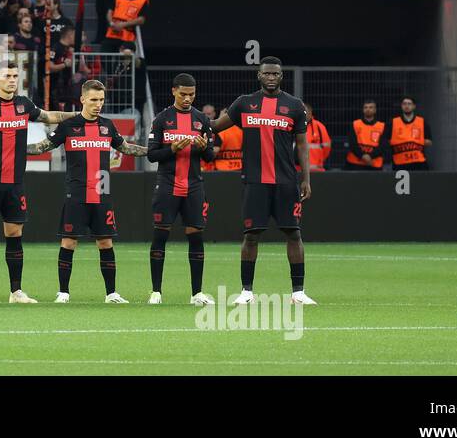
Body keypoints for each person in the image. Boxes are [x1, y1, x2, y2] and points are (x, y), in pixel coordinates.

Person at [0, 59, 77, 303]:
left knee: (15, 233)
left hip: (15, 182)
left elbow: (48, 116)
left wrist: (77, 114)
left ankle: (16, 291)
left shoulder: (24, 105)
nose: (12, 80)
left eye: (15, 76)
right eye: (7, 75)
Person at [27, 80, 146, 304]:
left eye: (101, 100)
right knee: (69, 242)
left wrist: (155, 151)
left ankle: (111, 293)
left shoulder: (108, 126)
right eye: (93, 100)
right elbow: (42, 147)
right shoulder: (69, 126)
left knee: (106, 243)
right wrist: (15, 149)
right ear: (82, 99)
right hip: (77, 193)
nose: (98, 104)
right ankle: (63, 292)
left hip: (103, 192)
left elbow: (126, 148)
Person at [211, 57, 316, 306]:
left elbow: (302, 146)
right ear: (259, 76)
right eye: (266, 73)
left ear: (281, 77)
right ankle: (247, 292)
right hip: (255, 182)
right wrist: (192, 118)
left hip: (286, 182)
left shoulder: (294, 105)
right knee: (251, 235)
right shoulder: (244, 104)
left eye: (275, 74)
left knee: (293, 233)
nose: (271, 77)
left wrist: (306, 179)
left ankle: (298, 293)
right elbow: (215, 126)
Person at [145, 74, 215, 305]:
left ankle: (197, 293)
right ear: (174, 91)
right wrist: (172, 148)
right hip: (167, 184)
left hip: (194, 185)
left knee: (196, 237)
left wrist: (205, 149)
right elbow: (152, 154)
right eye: (183, 94)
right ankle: (156, 291)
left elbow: (210, 155)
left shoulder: (201, 120)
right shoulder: (162, 119)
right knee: (160, 236)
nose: (187, 99)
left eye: (191, 94)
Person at [383, 95, 431, 171]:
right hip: (399, 163)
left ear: (414, 106)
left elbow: (429, 141)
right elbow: (385, 140)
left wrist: (414, 142)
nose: (407, 106)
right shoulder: (393, 122)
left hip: (419, 162)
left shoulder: (422, 121)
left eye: (409, 104)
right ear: (401, 106)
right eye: (404, 104)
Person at [345, 99, 385, 170]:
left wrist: (370, 157)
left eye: (370, 107)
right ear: (363, 110)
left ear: (375, 110)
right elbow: (352, 143)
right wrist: (363, 156)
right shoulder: (355, 124)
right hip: (355, 163)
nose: (368, 109)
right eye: (365, 107)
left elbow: (383, 146)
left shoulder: (382, 126)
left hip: (374, 163)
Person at [302, 103, 332, 172]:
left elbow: (327, 147)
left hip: (316, 170)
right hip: (296, 170)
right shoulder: (293, 126)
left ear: (310, 113)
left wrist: (319, 160)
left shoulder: (319, 126)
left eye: (305, 113)